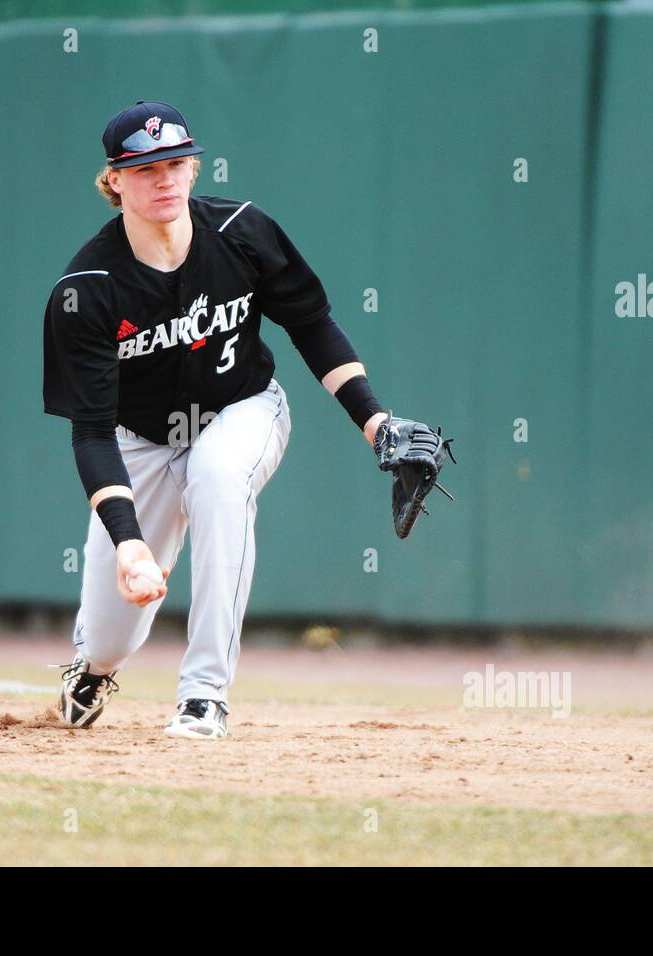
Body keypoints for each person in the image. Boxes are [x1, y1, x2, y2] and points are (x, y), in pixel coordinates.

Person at [42, 100, 394, 739]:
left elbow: (311, 326)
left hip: (242, 408)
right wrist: (129, 544)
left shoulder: (242, 230)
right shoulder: (86, 288)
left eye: (176, 162)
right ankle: (93, 669)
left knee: (218, 478)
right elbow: (91, 431)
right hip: (137, 438)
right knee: (110, 633)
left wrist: (375, 420)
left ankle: (204, 694)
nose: (165, 179)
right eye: (146, 168)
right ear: (114, 179)